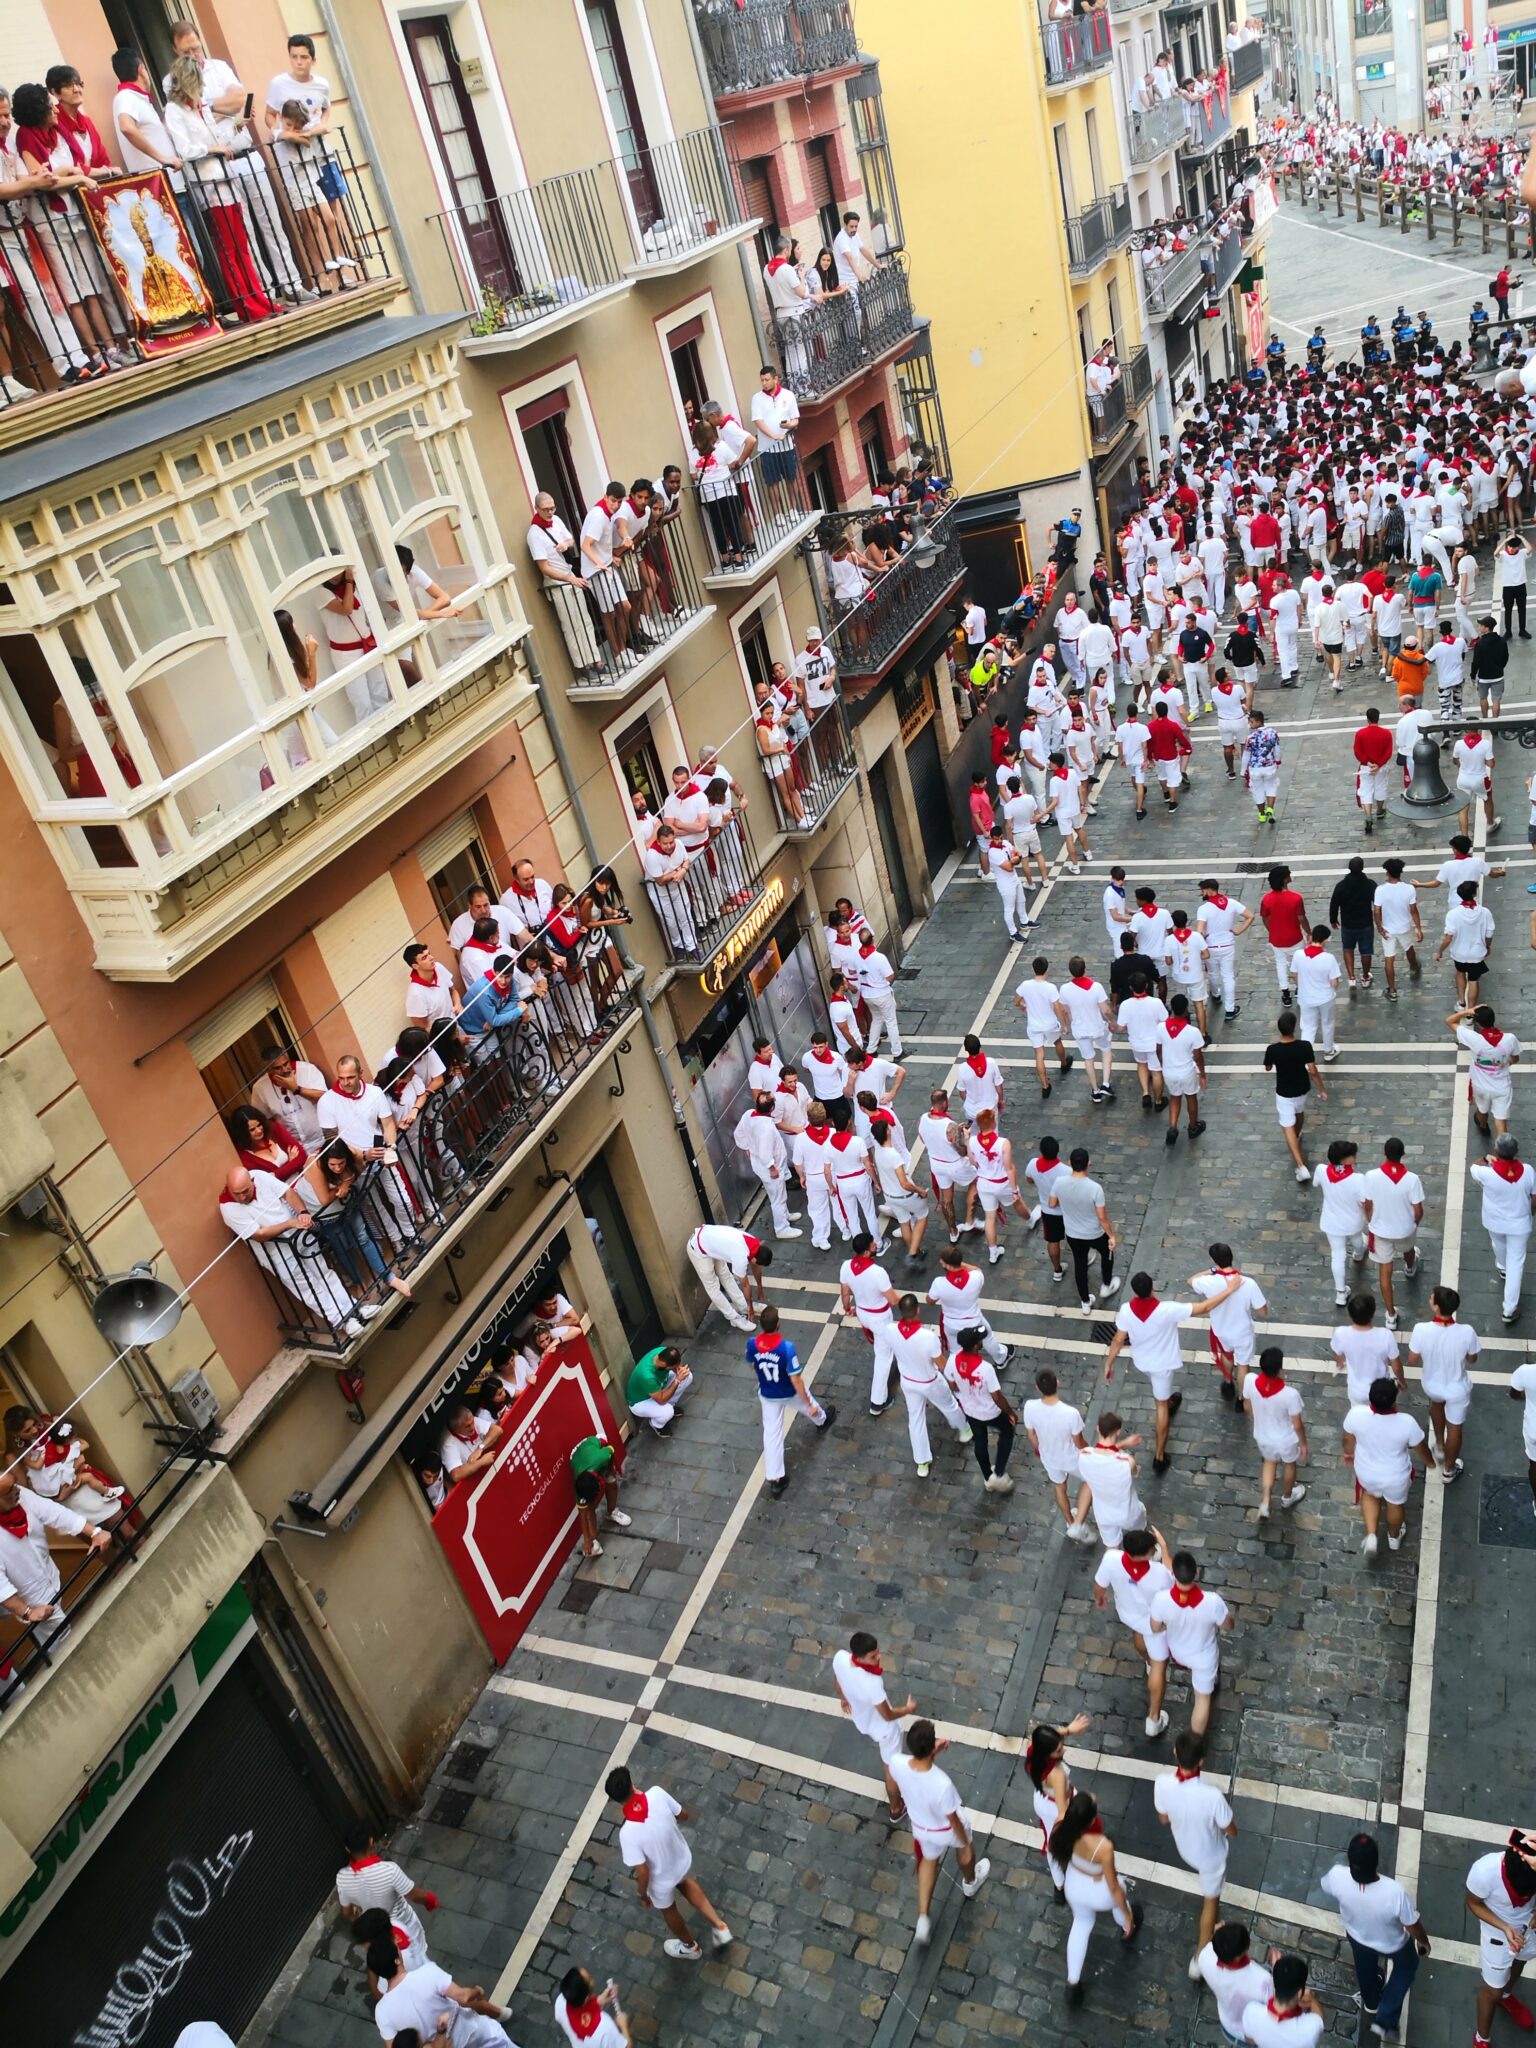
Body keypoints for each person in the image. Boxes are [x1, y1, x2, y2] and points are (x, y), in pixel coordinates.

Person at [1104, 1271, 1239, 1473]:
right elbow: (1204, 1307)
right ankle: (1159, 1455)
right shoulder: (1166, 1310)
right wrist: (1229, 1289)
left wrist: (1109, 1363)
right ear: (1152, 1288)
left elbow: (1117, 1340)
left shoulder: (1126, 1311)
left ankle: (1168, 1402)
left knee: (1161, 1395)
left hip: (1142, 1362)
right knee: (1160, 1406)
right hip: (1162, 1366)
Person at [606, 1767, 732, 1961]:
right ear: (633, 1784)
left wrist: (643, 1894)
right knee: (685, 1883)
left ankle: (690, 1947)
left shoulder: (627, 1834)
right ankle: (719, 1925)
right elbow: (684, 1815)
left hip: (660, 1880)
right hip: (678, 1858)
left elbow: (642, 1871)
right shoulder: (656, 1793)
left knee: (669, 1910)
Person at [891, 1719, 992, 1946]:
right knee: (965, 1849)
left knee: (928, 1860)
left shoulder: (897, 1763)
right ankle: (970, 1881)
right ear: (930, 1745)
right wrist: (964, 1840)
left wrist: (932, 1750)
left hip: (921, 1827)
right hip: (945, 1829)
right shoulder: (942, 1784)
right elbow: (953, 1818)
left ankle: (923, 1918)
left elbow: (914, 1766)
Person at [1155, 1728, 1237, 1976]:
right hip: (1210, 1855)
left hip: (1185, 1849)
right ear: (1201, 1761)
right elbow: (1231, 1830)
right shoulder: (1212, 1797)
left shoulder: (1162, 1783)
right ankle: (1200, 1957)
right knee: (1211, 1900)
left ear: (1175, 1753)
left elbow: (1163, 1819)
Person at [1054, 1790, 1141, 2004]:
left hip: (1074, 1885)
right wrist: (1127, 1916)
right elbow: (1113, 1887)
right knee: (1121, 1899)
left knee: (1081, 1924)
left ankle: (1073, 1982)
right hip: (1099, 1890)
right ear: (1093, 1819)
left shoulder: (1061, 1828)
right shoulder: (1103, 1847)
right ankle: (1126, 1928)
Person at [1344, 1376, 1434, 1559]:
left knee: (1369, 1495)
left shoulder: (1356, 1414)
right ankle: (1394, 1538)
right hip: (1395, 1476)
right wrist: (1430, 1463)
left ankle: (1371, 1535)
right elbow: (1421, 1448)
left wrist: (1348, 1453)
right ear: (1394, 1400)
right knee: (1395, 1504)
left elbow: (1347, 1439)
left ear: (1370, 1398)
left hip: (1366, 1471)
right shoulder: (1406, 1422)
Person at [365, 1932, 510, 2045]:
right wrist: (477, 1991)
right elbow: (463, 1997)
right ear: (397, 1960)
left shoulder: (382, 2012)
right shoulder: (427, 1972)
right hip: (471, 2033)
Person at [832, 1631, 917, 1822]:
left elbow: (839, 1682)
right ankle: (896, 1808)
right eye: (873, 1656)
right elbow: (887, 1714)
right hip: (885, 1730)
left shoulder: (840, 1658)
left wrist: (844, 1698)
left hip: (862, 1720)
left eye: (878, 1652)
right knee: (891, 1768)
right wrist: (907, 1709)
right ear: (860, 1656)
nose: (879, 1657)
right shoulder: (872, 1683)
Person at [1147, 1551, 1233, 1735]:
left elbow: (1155, 1627)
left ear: (1175, 1575)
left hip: (1178, 1652)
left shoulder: (1161, 1600)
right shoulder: (1213, 1602)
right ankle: (1195, 1743)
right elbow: (1227, 1625)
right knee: (1202, 1699)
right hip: (1204, 1657)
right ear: (1196, 1573)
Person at [1466, 1829, 1536, 2047]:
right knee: (1491, 1990)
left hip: (1528, 1929)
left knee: (1520, 1961)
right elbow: (1473, 1903)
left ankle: (1507, 1995)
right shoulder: (1484, 1870)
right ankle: (1481, 2038)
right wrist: (1505, 1928)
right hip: (1496, 1931)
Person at [1471, 1136, 1536, 1326]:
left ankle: (1501, 1266)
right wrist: (1531, 1213)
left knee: (1498, 1244)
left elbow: (1473, 1166)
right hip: (1519, 1223)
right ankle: (1509, 1309)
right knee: (1517, 1262)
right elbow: (1534, 1199)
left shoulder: (1486, 1173)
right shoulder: (1528, 1171)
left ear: (1497, 1152)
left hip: (1495, 1221)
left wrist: (1486, 1158)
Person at [1362, 1138, 1425, 1332]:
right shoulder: (1412, 1179)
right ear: (1402, 1154)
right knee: (1408, 1249)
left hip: (1380, 1231)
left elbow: (1367, 1203)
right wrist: (1414, 1224)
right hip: (1404, 1229)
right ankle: (1409, 1267)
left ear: (1384, 1153)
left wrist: (1371, 1219)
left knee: (1385, 1272)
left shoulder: (1371, 1176)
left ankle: (1390, 1314)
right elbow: (1418, 1210)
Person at [945, 1326, 1017, 1494]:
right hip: (991, 1412)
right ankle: (999, 1472)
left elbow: (953, 1385)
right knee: (1007, 1431)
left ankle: (987, 1477)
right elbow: (997, 1397)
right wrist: (1010, 1412)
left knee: (980, 1441)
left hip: (970, 1410)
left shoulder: (953, 1360)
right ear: (976, 1345)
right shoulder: (985, 1369)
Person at [1048, 1146, 1120, 1314]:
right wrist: (1111, 1236)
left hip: (1073, 1234)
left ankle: (1085, 1302)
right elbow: (1102, 1218)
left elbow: (1052, 1203)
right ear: (1089, 1163)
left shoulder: (1059, 1182)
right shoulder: (1095, 1188)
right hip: (1094, 1233)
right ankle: (1106, 1285)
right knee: (1107, 1254)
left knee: (1080, 1265)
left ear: (1070, 1163)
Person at [1023, 1367, 1094, 1537]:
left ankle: (1069, 1521)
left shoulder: (1030, 1407)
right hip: (1071, 1458)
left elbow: (1031, 1435)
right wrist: (1090, 1451)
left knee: (1060, 1487)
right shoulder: (1071, 1414)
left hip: (1049, 1457)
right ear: (1058, 1383)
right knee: (1092, 1481)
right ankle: (1079, 1522)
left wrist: (1038, 1450)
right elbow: (1079, 1442)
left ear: (1037, 1387)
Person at [1263, 1013, 1327, 1184]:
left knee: (1286, 1125)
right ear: (1294, 1028)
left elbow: (1268, 1067)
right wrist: (1322, 1089)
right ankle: (1297, 1136)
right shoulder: (1305, 1046)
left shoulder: (1273, 1050)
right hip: (1302, 1088)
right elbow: (1313, 1071)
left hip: (1284, 1091)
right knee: (1299, 1112)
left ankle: (1300, 1165)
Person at [1197, 1922, 1274, 2046]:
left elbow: (1209, 1948)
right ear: (1243, 1951)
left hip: (1227, 2024)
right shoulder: (1263, 1980)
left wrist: (1216, 1938)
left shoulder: (1204, 1958)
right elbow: (1278, 2009)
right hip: (1251, 2035)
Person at [684, 1223, 769, 1333]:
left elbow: (755, 1266)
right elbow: (745, 1284)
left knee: (726, 1275)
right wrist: (751, 1307)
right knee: (713, 1286)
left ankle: (742, 1306)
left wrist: (759, 1288)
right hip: (698, 1250)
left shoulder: (753, 1242)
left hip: (711, 1242)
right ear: (755, 1259)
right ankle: (733, 1318)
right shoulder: (741, 1256)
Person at [1055, 957, 1115, 1106]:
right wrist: (1111, 1021)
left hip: (1080, 1029)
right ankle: (1106, 1083)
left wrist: (1066, 1024)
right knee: (1106, 1050)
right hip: (1097, 1027)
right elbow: (1105, 1010)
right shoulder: (1096, 987)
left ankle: (1095, 1091)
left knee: (1088, 1059)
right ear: (1085, 969)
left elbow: (1064, 1009)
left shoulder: (1065, 989)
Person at [1014, 957, 1074, 1098]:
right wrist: (1065, 1024)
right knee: (1057, 1042)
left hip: (1034, 1026)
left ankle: (1045, 1086)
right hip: (1049, 1024)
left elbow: (1017, 1001)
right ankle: (1064, 1064)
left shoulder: (1025, 985)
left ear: (1033, 969)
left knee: (1039, 1055)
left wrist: (1024, 1006)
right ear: (1046, 969)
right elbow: (1058, 1008)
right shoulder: (1050, 988)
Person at [1241, 1953, 1326, 2047]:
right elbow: (1318, 2016)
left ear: (1273, 1984)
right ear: (1299, 1993)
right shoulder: (1310, 2029)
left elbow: (1250, 2040)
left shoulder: (1251, 2012)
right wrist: (1311, 1999)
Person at [571, 1432, 630, 1559]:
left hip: (595, 1443)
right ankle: (593, 1540)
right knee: (588, 1508)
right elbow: (583, 1513)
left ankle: (612, 1512)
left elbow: (610, 1450)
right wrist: (587, 1540)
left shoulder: (601, 1457)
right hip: (579, 1457)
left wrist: (610, 1470)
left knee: (612, 1482)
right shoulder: (580, 1485)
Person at [1374, 858, 1423, 1000]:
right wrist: (1419, 928)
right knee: (1409, 948)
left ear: (1388, 873)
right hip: (1404, 927)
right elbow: (1413, 910)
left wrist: (1379, 927)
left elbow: (1377, 911)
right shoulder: (1409, 889)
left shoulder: (1380, 890)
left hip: (1388, 929)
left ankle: (1393, 990)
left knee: (1389, 958)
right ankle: (1414, 966)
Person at [1259, 864, 1308, 1003]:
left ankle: (1285, 993)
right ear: (1285, 879)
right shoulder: (1296, 898)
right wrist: (1309, 932)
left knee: (1280, 964)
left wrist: (1272, 931)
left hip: (1277, 939)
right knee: (1298, 964)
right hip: (1295, 938)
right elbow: (1301, 918)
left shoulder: (1266, 899)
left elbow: (1265, 918)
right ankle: (1300, 988)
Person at [625, 1343, 695, 1438]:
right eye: (673, 1367)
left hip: (657, 1387)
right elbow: (661, 1400)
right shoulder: (647, 1376)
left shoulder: (663, 1352)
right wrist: (677, 1380)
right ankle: (656, 1424)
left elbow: (676, 1367)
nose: (676, 1368)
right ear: (665, 1366)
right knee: (667, 1412)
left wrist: (680, 1370)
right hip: (640, 1401)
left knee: (687, 1377)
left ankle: (670, 1405)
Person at [554, 1968, 631, 2048]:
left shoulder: (561, 2001)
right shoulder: (605, 2028)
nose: (592, 1978)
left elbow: (583, 2009)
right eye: (590, 1979)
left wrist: (599, 2000)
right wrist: (623, 2025)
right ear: (586, 1997)